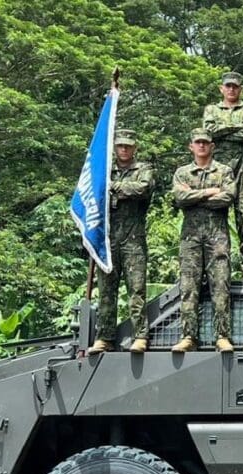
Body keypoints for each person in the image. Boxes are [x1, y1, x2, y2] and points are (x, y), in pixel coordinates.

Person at [170, 129, 237, 353]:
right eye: (197, 142)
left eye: (205, 143)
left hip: (217, 235)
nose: (201, 146)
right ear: (191, 146)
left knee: (220, 284)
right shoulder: (182, 173)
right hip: (191, 236)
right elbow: (180, 198)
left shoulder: (224, 171)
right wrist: (209, 191)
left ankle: (222, 335)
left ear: (212, 146)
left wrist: (194, 196)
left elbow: (227, 198)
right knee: (189, 286)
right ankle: (189, 336)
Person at [88, 129, 154, 355]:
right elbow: (93, 194)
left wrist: (114, 187)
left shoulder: (143, 169)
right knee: (107, 290)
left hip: (133, 237)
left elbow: (142, 189)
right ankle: (104, 336)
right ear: (115, 148)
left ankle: (140, 335)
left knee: (136, 289)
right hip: (107, 238)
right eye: (120, 146)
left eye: (128, 146)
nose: (124, 150)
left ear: (135, 148)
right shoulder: (104, 170)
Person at [202, 71, 243, 279]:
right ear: (221, 88)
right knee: (217, 213)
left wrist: (223, 130)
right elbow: (209, 133)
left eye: (235, 86)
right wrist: (235, 127)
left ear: (240, 89)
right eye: (228, 86)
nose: (231, 89)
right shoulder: (212, 109)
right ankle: (217, 263)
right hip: (219, 166)